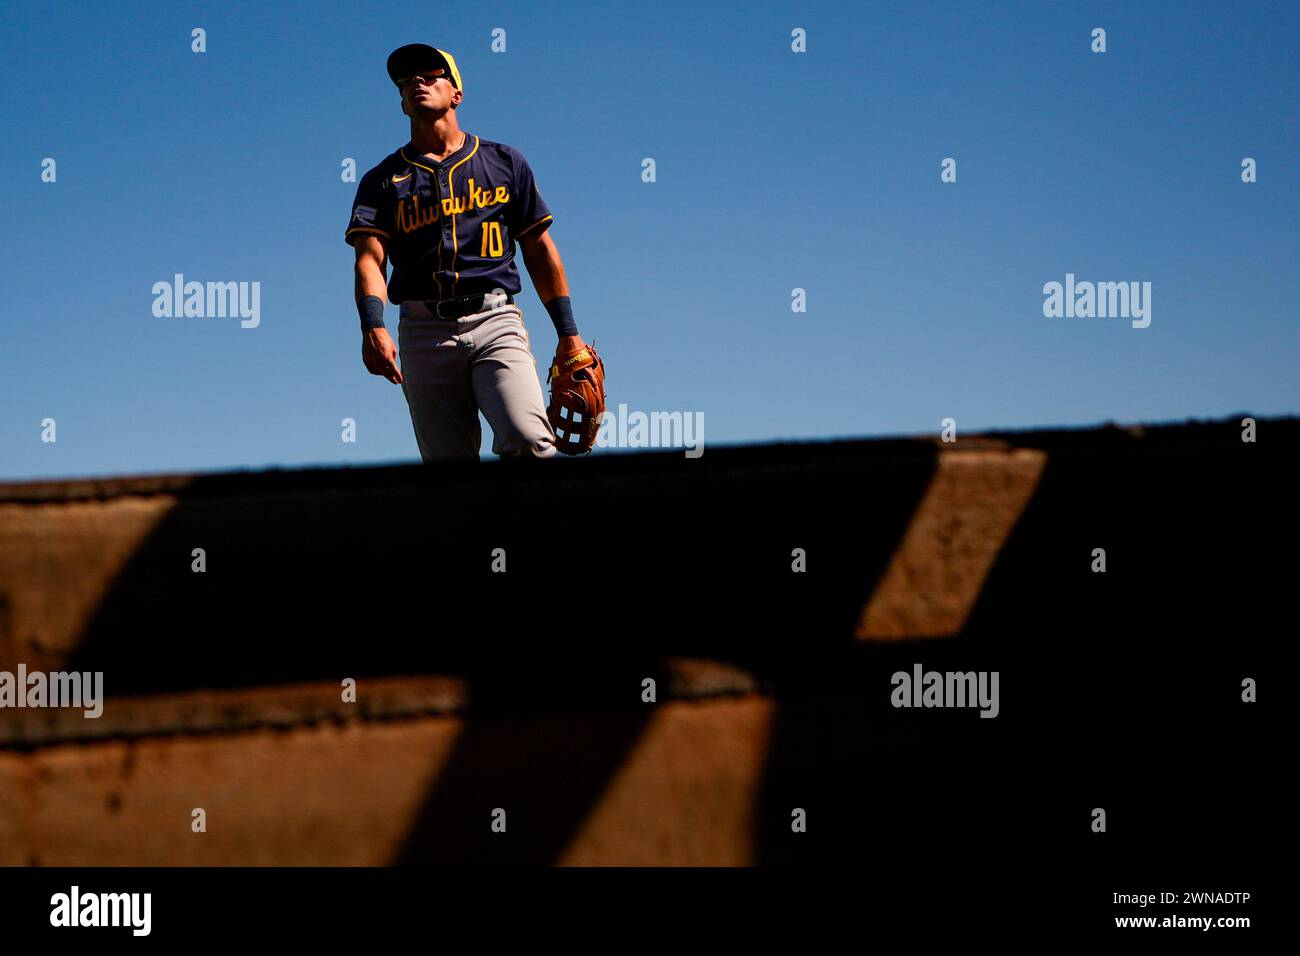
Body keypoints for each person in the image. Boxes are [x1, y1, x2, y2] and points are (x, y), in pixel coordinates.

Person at [346, 44, 591, 461]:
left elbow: (539, 247)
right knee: (449, 472)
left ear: (456, 93)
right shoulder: (381, 179)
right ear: (402, 102)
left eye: (430, 74)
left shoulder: (504, 162)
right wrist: (373, 324)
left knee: (529, 440)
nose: (417, 83)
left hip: (496, 319)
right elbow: (370, 258)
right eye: (407, 81)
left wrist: (568, 333)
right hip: (423, 331)